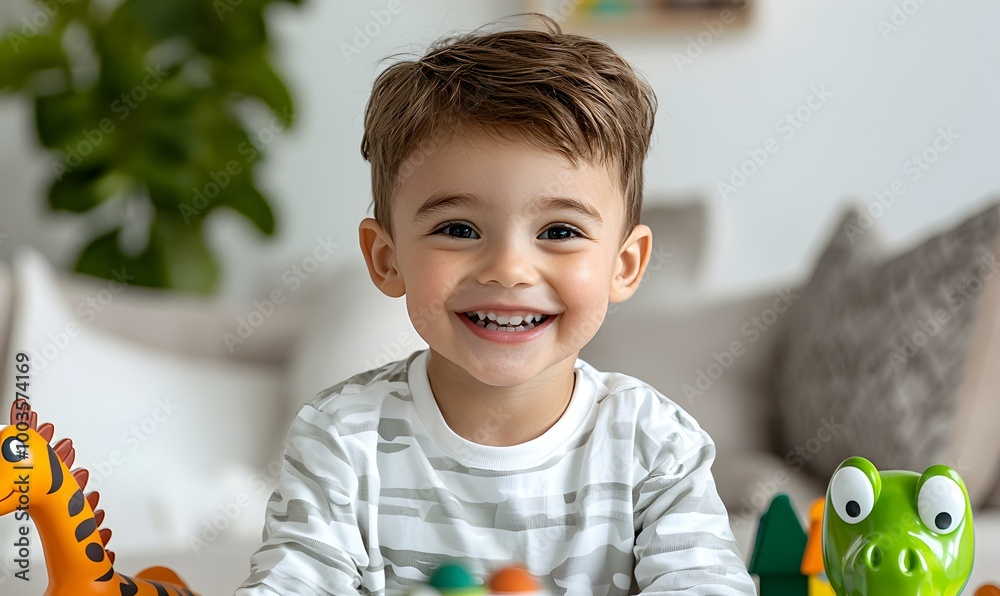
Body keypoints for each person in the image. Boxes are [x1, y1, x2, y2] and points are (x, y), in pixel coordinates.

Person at [237, 13, 755, 596]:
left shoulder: (656, 444)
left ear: (625, 265)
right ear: (386, 259)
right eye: (459, 229)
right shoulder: (341, 437)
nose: (508, 268)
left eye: (559, 232)